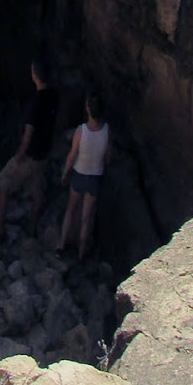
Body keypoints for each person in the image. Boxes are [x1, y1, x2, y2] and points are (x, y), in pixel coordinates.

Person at [0, 54, 58, 241]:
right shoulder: (54, 97)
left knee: (1, 184)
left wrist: (18, 156)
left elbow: (28, 135)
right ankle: (32, 228)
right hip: (43, 155)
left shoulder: (36, 103)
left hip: (29, 155)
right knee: (36, 192)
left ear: (34, 76)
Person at [59, 90, 110, 260]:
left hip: (79, 175)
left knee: (71, 209)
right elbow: (108, 156)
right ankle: (81, 253)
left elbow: (72, 155)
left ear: (88, 109)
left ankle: (61, 244)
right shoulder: (107, 131)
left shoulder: (81, 131)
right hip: (95, 178)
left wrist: (65, 173)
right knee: (86, 219)